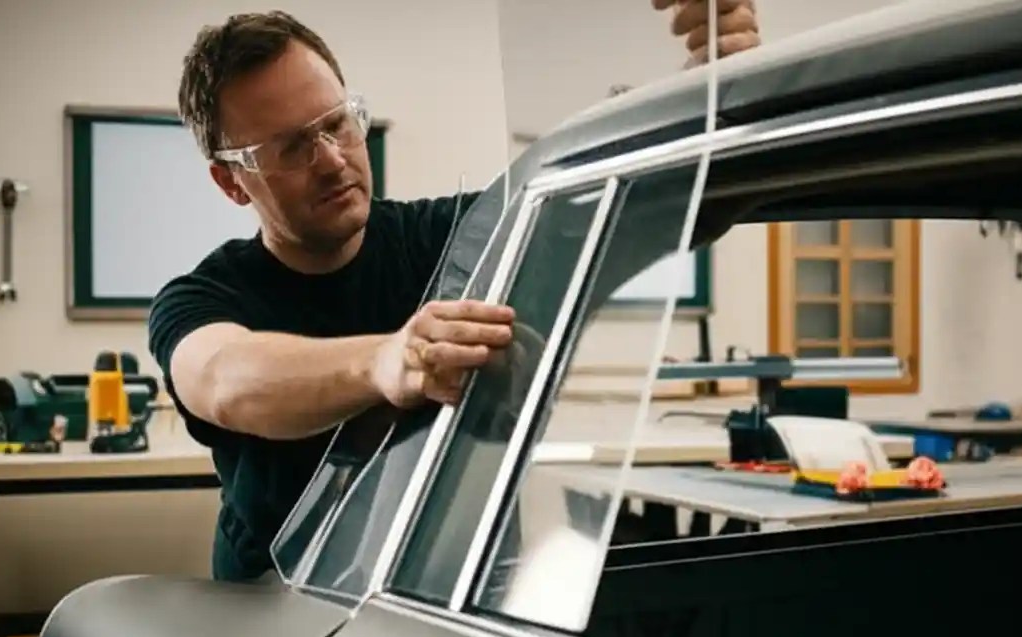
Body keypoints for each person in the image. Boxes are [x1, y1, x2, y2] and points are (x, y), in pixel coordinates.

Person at [148, 3, 762, 583]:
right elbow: (225, 379)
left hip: (447, 600)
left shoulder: (459, 239)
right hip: (277, 615)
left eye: (336, 124)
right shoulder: (202, 297)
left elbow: (678, 209)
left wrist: (726, 92)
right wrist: (386, 362)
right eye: (292, 147)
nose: (332, 160)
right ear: (232, 183)